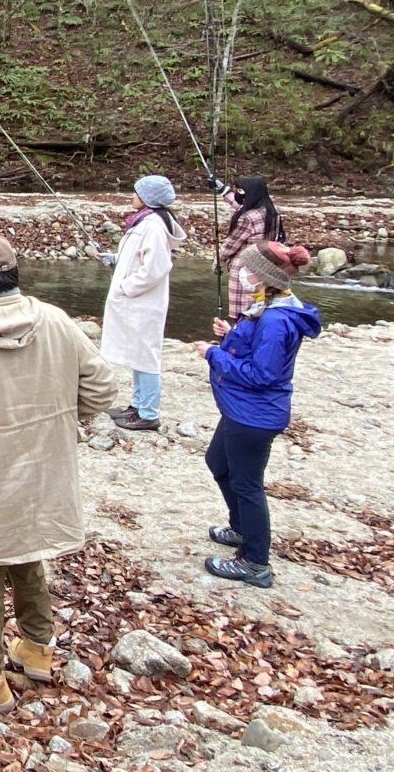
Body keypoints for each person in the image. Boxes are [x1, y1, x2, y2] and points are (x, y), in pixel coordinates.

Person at [0, 234, 115, 712]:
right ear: (14, 275)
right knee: (27, 552)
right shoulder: (54, 320)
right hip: (43, 469)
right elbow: (101, 387)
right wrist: (65, 418)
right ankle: (37, 648)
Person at [195, 242, 320, 589]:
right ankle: (241, 528)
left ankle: (255, 563)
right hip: (240, 409)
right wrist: (231, 335)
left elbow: (263, 374)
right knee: (218, 462)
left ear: (263, 275)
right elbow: (256, 350)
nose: (240, 272)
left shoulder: (276, 320)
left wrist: (213, 354)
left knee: (247, 484)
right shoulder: (267, 306)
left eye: (246, 268)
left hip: (254, 415)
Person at [99, 175, 187, 432]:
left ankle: (148, 413)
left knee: (147, 356)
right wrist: (115, 259)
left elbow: (156, 267)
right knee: (138, 354)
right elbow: (137, 258)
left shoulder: (153, 226)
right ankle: (136, 405)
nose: (131, 195)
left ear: (149, 198)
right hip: (138, 303)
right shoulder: (145, 222)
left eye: (136, 192)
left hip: (143, 304)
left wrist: (126, 287)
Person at [212, 175, 286, 320]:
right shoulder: (273, 210)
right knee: (259, 306)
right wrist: (223, 190)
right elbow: (240, 205)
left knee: (242, 312)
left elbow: (230, 245)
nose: (239, 193)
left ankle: (239, 337)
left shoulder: (247, 218)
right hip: (265, 265)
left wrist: (217, 261)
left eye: (241, 190)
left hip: (243, 269)